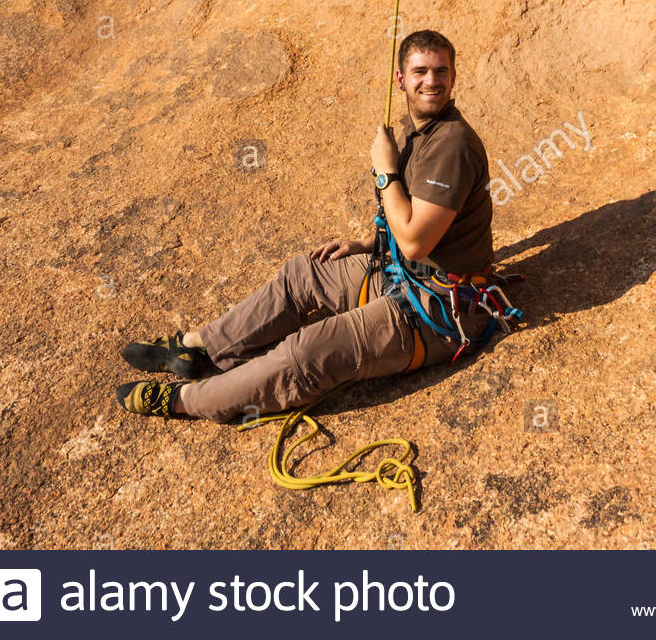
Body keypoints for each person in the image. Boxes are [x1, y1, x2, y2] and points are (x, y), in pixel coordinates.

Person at [116, 30, 519, 423]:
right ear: (401, 79)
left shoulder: (452, 144)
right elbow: (411, 223)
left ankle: (188, 399)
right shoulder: (419, 130)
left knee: (308, 350)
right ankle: (200, 347)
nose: (431, 81)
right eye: (420, 71)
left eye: (441, 71)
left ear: (453, 76)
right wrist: (366, 244)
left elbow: (414, 242)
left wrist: (385, 172)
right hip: (402, 276)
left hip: (441, 311)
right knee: (302, 273)